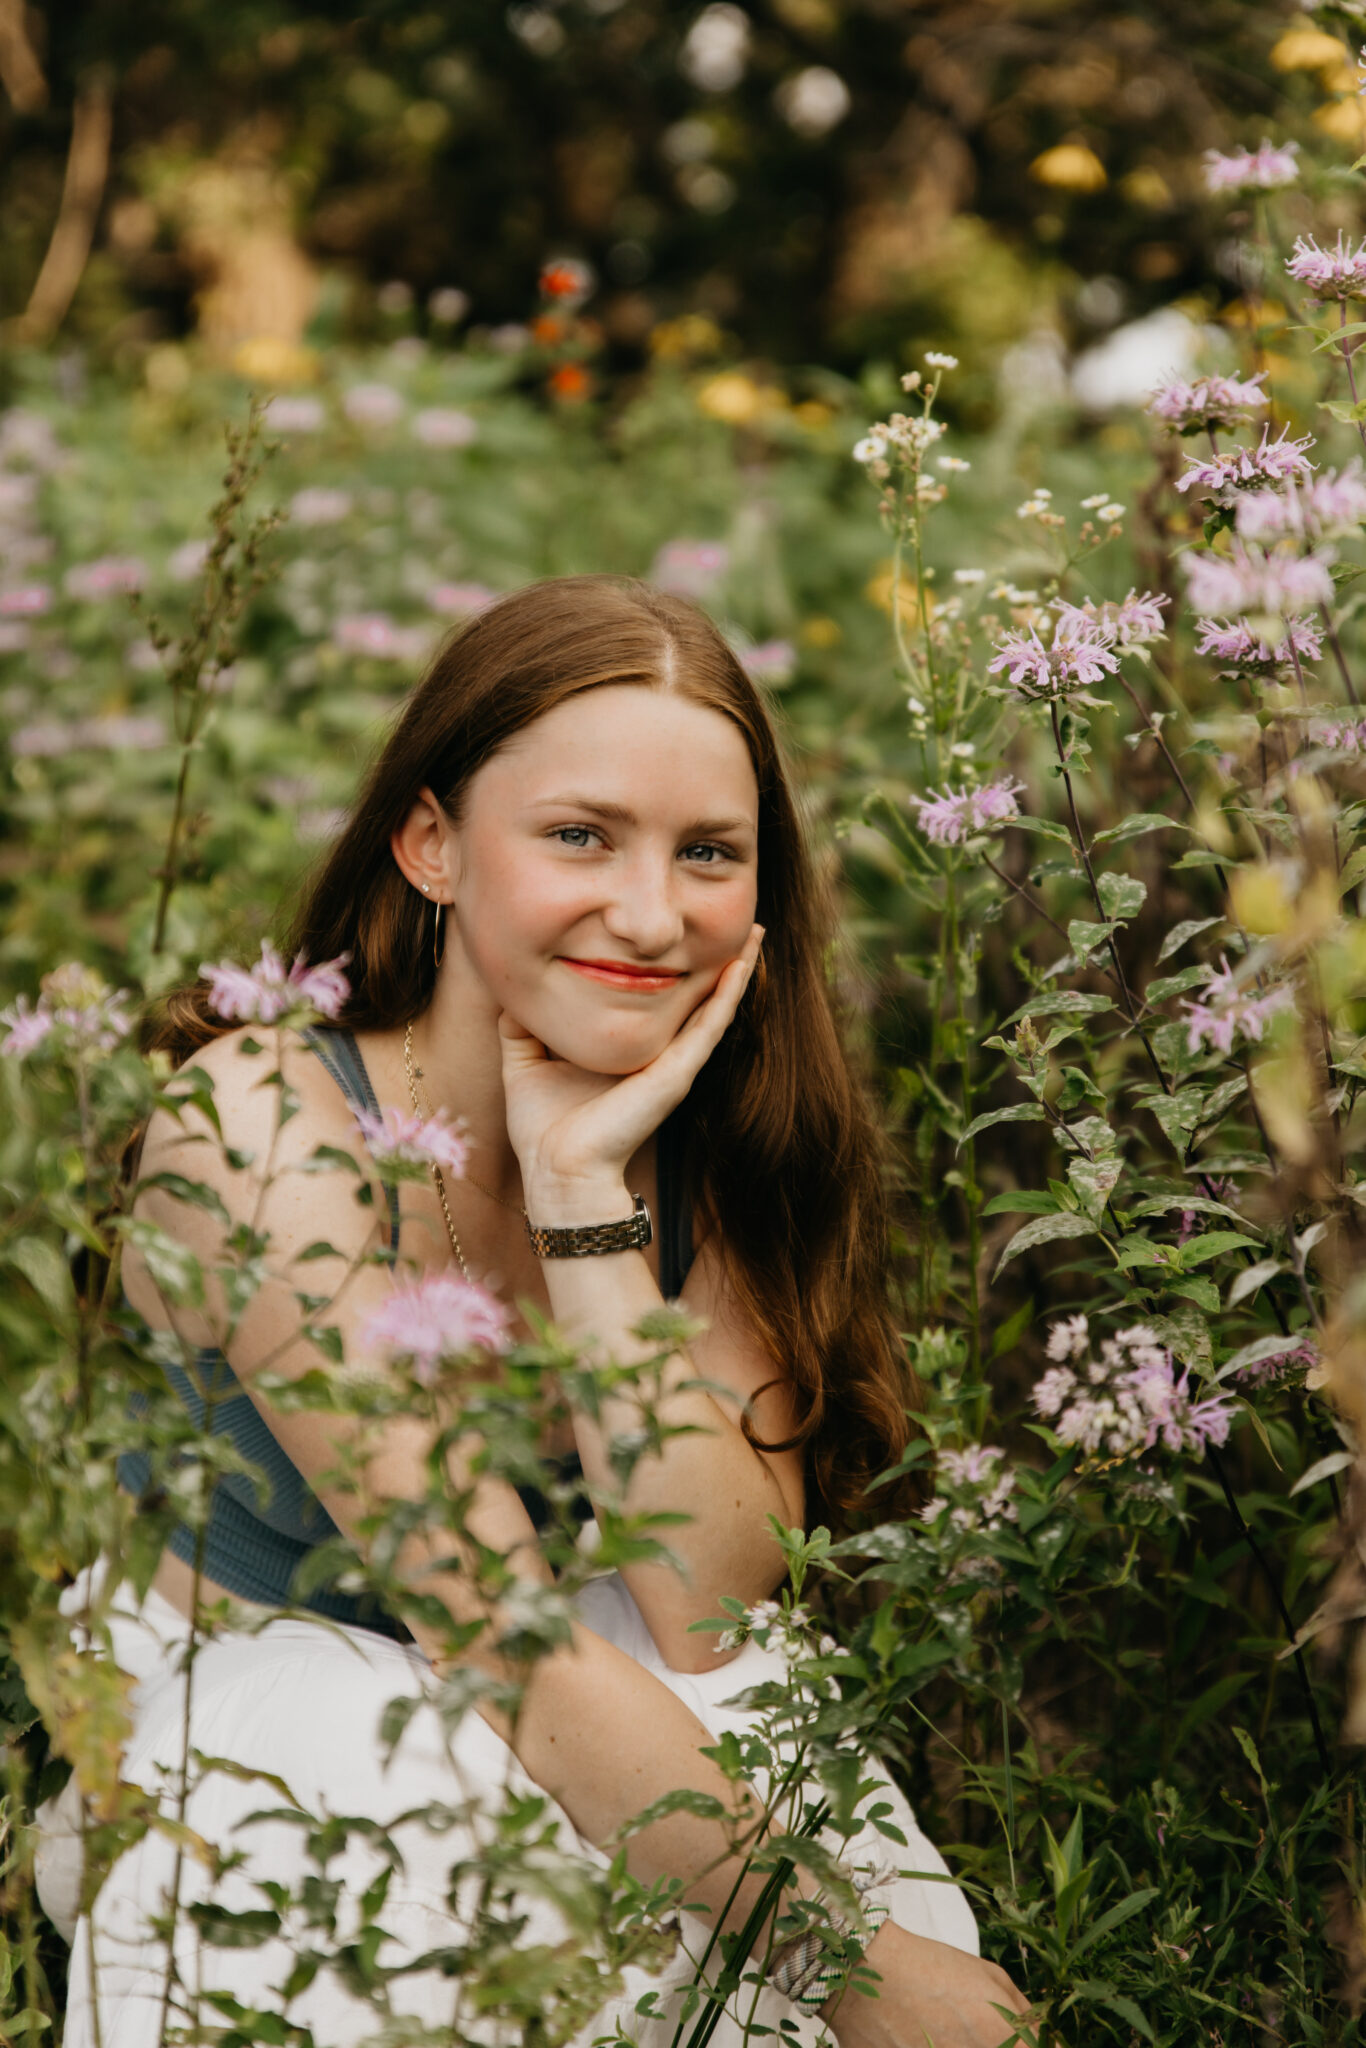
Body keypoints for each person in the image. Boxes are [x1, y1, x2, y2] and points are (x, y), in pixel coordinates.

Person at [38, 577, 1031, 2046]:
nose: (649, 912)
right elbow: (494, 1634)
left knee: (766, 1717)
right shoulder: (260, 1127)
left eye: (708, 852)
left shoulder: (695, 1137)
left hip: (547, 1703)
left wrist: (582, 1188)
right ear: (431, 843)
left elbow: (708, 1614)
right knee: (402, 1780)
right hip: (238, 1746)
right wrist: (850, 1960)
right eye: (579, 835)